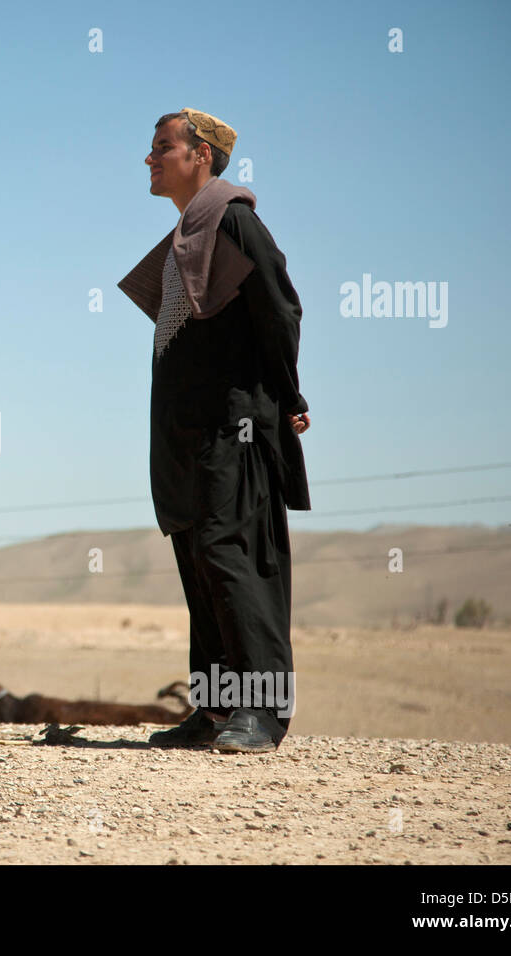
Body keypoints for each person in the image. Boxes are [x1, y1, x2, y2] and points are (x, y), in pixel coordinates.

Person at [118, 109, 311, 754]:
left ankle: (261, 714)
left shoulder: (232, 220)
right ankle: (218, 709)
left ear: (201, 154)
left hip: (237, 429)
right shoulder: (188, 234)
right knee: (200, 558)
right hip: (191, 434)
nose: (149, 159)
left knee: (234, 559)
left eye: (161, 148)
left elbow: (281, 306)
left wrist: (285, 395)